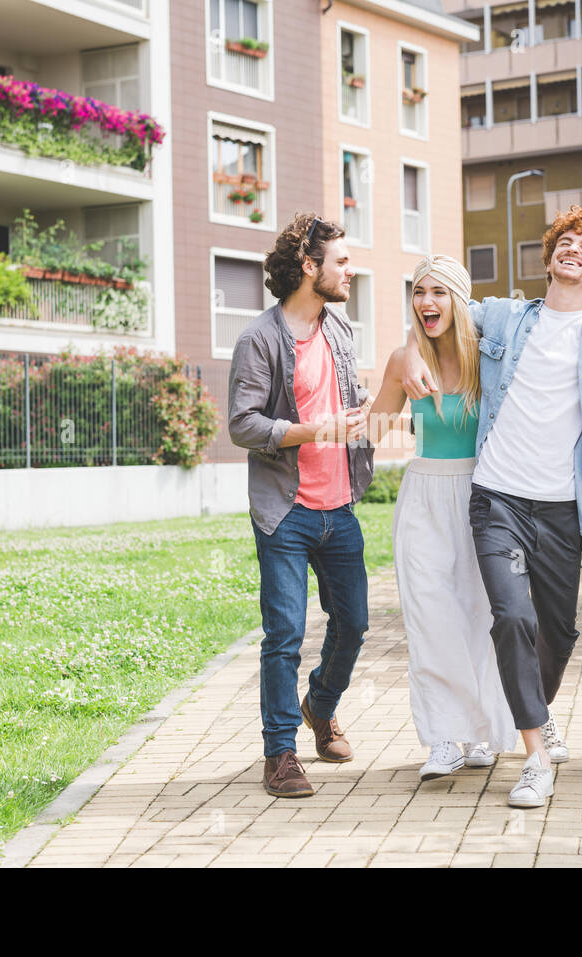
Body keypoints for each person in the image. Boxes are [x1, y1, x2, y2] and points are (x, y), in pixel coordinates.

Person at [400, 206, 582, 808]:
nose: (574, 249)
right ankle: (534, 758)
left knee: (556, 635)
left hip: (562, 509)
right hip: (497, 497)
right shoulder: (506, 316)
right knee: (512, 617)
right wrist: (408, 350)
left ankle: (537, 711)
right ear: (551, 254)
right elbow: (438, 309)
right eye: (566, 240)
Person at [227, 213, 375, 799]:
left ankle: (320, 704)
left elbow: (351, 399)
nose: (350, 268)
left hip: (339, 507)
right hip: (285, 511)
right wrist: (315, 430)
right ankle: (280, 754)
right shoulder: (259, 340)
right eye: (341, 260)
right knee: (284, 633)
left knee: (355, 624)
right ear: (309, 267)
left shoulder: (339, 329)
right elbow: (242, 424)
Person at [370, 255, 518, 781]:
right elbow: (371, 431)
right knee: (430, 616)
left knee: (480, 616)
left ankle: (482, 731)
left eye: (437, 292)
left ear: (460, 299)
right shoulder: (402, 360)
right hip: (424, 494)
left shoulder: (490, 358)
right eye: (417, 292)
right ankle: (443, 738)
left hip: (481, 495)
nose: (426, 302)